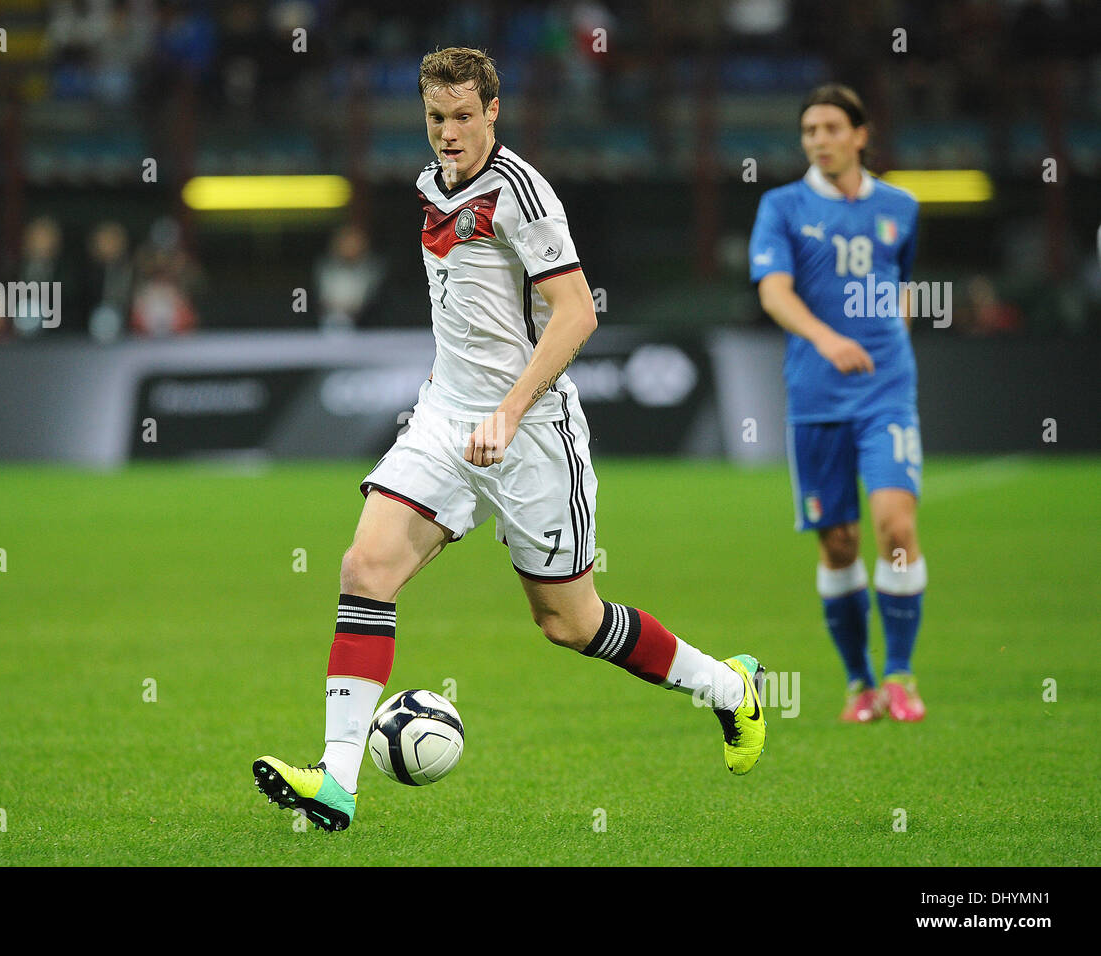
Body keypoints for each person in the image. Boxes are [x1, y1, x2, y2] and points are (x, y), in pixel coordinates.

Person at [254, 47, 767, 832]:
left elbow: (577, 313)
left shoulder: (523, 193)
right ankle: (337, 780)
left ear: (494, 112)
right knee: (364, 569)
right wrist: (467, 410)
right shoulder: (431, 184)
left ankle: (729, 687)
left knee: (571, 622)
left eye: (464, 117)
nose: (450, 133)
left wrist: (510, 409)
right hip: (443, 419)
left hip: (530, 432)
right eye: (436, 118)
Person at [749, 84, 927, 723]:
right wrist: (828, 338)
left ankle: (901, 675)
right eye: (808, 131)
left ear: (860, 134)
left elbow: (900, 283)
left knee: (896, 530)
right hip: (817, 396)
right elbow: (774, 293)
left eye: (829, 128)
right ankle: (860, 684)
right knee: (840, 545)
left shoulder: (900, 206)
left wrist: (892, 339)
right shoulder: (783, 206)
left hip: (885, 393)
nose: (818, 140)